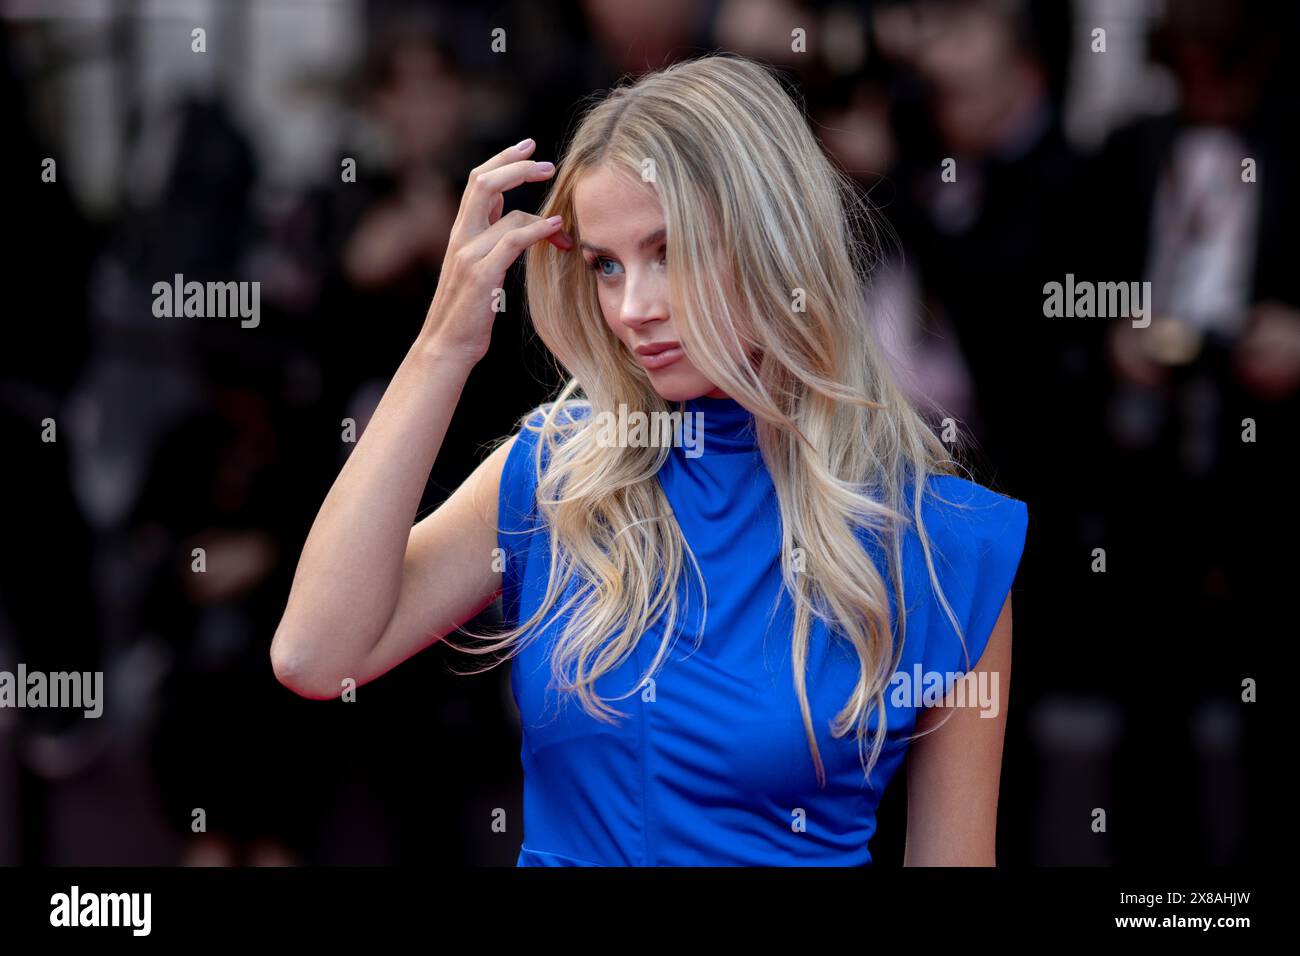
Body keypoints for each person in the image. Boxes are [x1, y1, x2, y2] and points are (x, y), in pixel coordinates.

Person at [271, 54, 1028, 867]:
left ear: (772, 241)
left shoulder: (944, 542)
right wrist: (443, 345)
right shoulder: (559, 475)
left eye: (670, 251)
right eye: (605, 264)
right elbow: (317, 654)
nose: (634, 308)